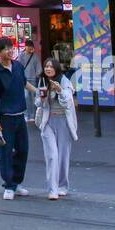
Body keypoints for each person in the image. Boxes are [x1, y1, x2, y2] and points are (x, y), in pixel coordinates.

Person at [0, 36, 30, 200]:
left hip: (20, 116)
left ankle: (17, 182)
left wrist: (38, 92)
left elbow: (24, 83)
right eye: (6, 49)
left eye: (11, 47)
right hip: (4, 119)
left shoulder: (18, 66)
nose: (10, 51)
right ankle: (9, 185)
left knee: (23, 150)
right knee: (5, 151)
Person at [34, 56, 77, 198]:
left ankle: (62, 186)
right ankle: (52, 189)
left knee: (63, 156)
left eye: (51, 66)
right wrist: (41, 98)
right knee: (52, 155)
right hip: (47, 122)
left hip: (63, 122)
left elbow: (68, 104)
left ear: (57, 68)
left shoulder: (64, 81)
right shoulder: (42, 81)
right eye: (46, 66)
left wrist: (59, 91)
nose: (48, 69)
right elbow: (37, 104)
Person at [19, 40, 42, 115]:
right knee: (25, 97)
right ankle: (26, 114)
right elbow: (19, 67)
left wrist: (37, 74)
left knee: (33, 98)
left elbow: (39, 67)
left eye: (31, 46)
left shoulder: (35, 56)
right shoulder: (21, 56)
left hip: (33, 79)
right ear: (25, 46)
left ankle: (33, 114)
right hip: (24, 80)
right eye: (28, 46)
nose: (29, 48)